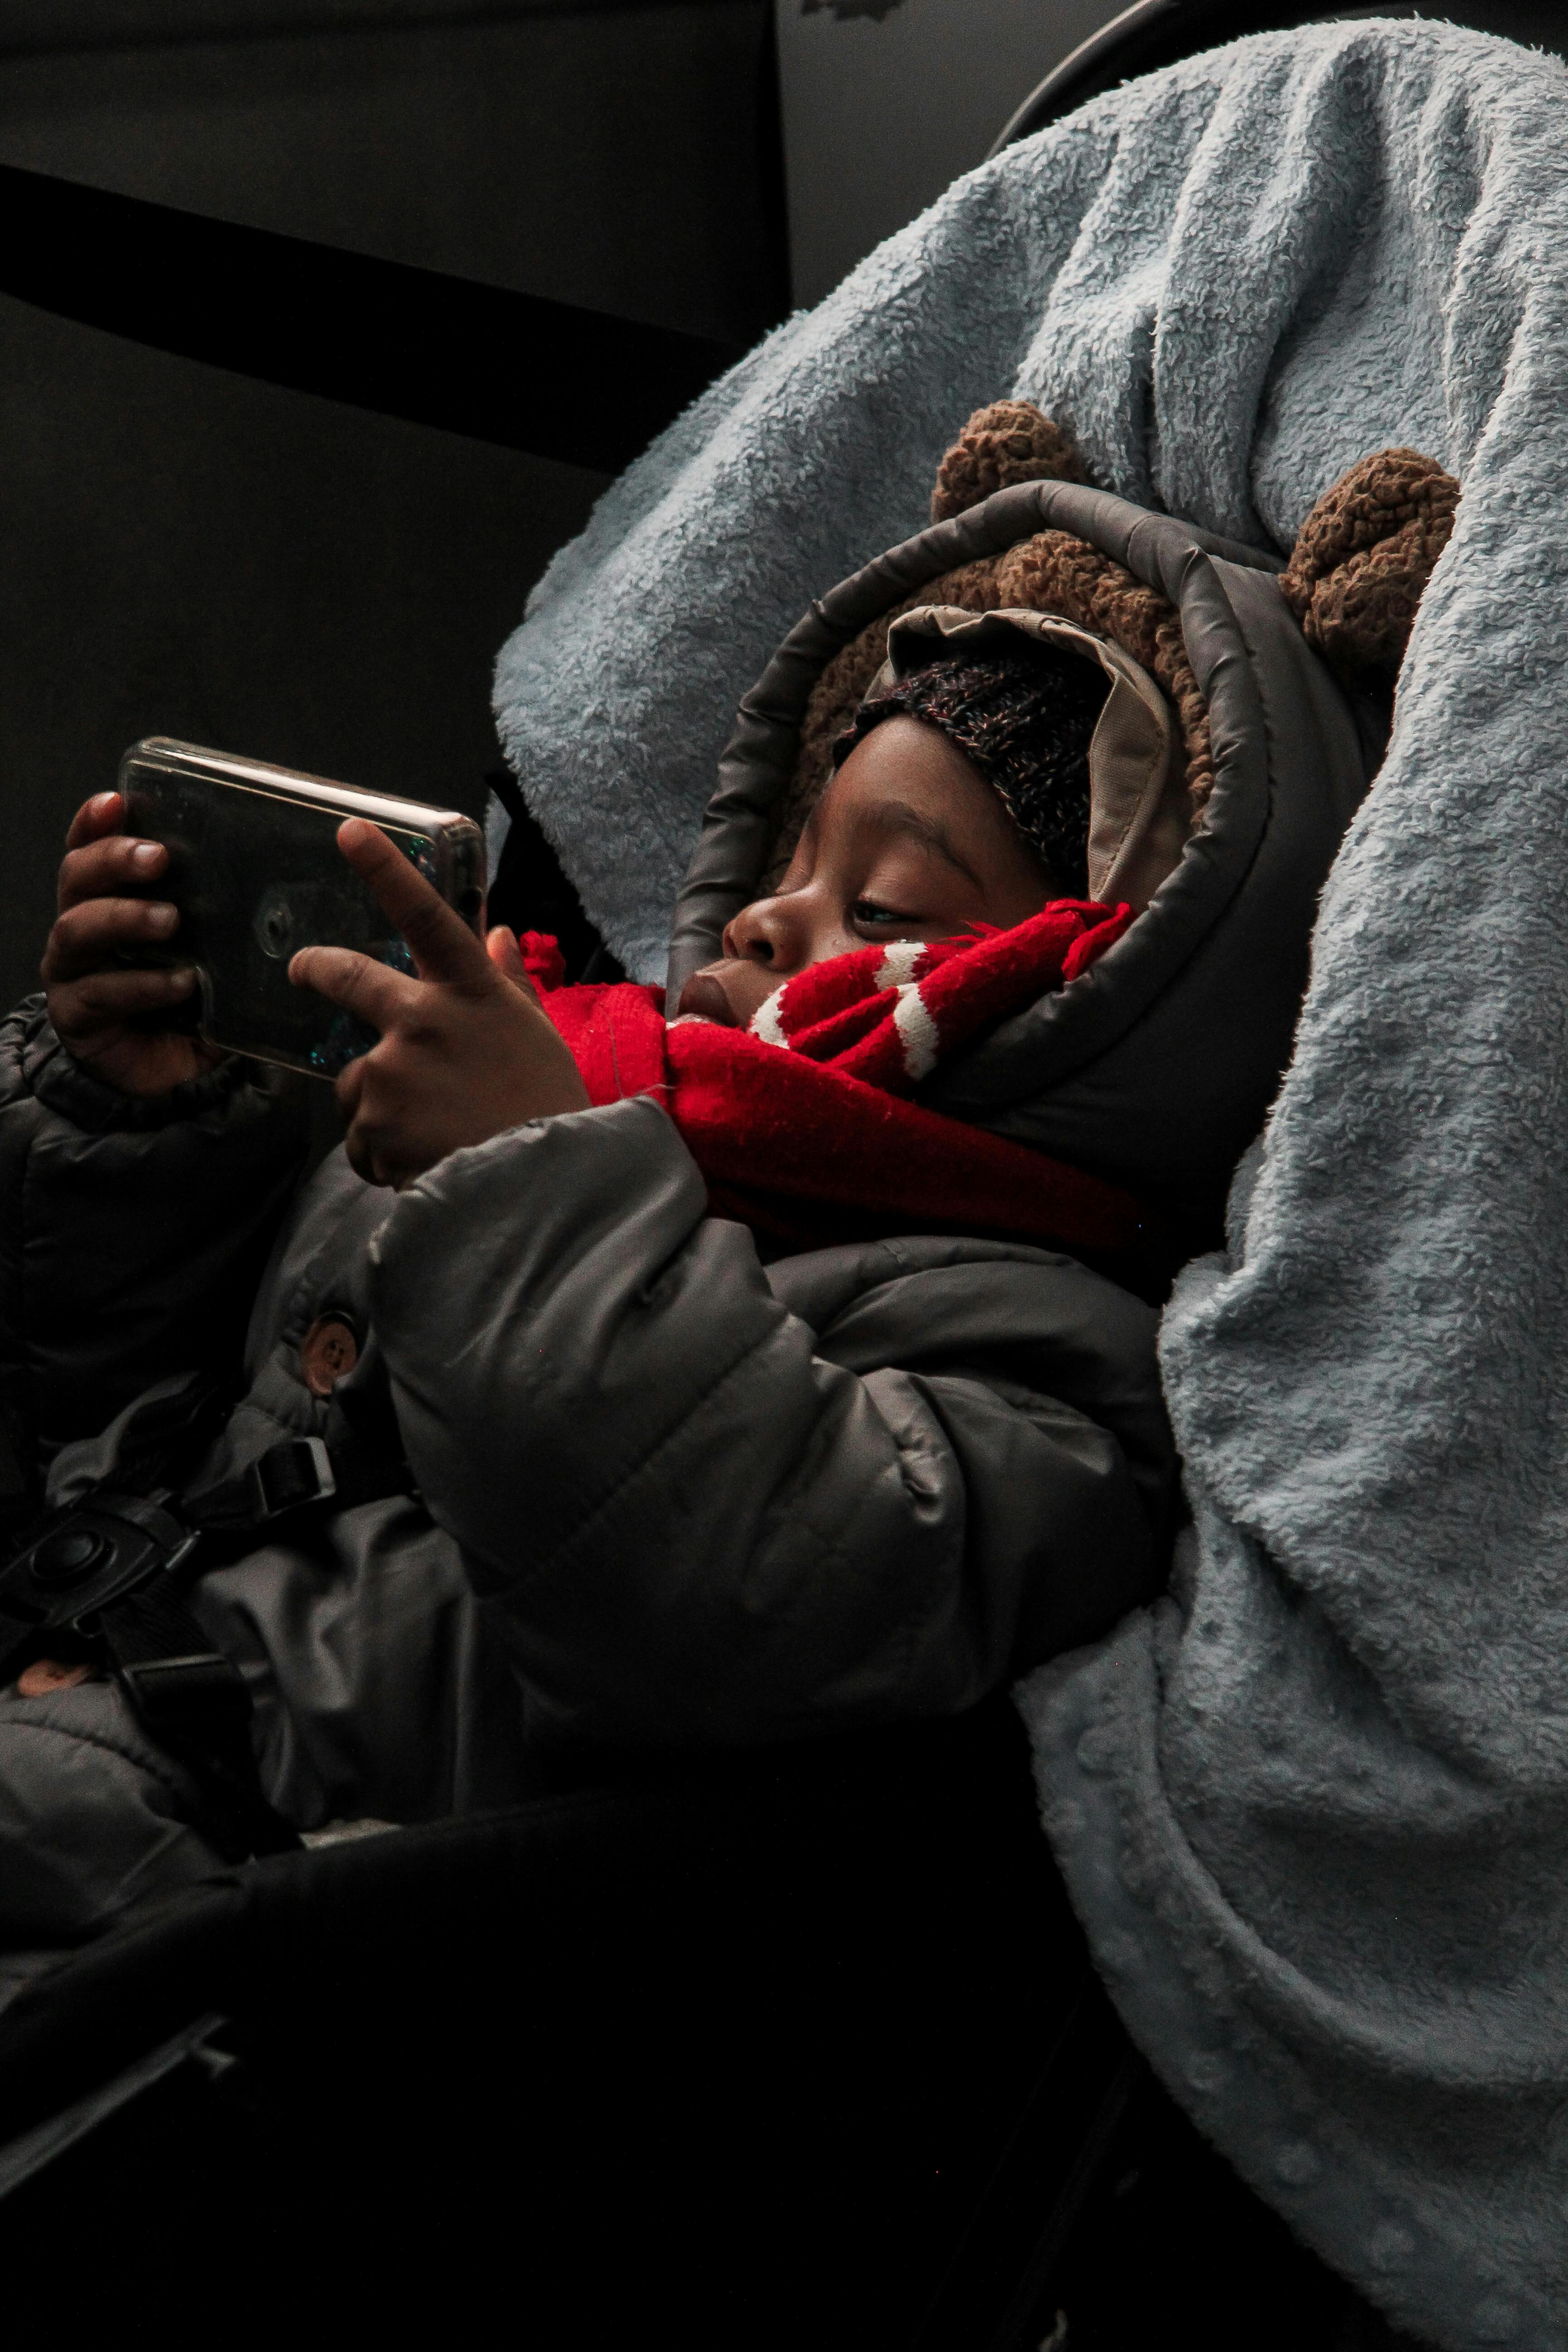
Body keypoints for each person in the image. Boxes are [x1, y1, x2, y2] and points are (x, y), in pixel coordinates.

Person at [0, 617, 1177, 1950]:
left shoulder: (1043, 1351)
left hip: (236, 1897)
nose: (761, 913)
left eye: (881, 907)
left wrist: (526, 1177)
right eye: (794, 856)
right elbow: (127, 1426)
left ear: (1092, 1004)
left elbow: (730, 1603)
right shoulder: (575, 1080)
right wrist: (140, 1131)